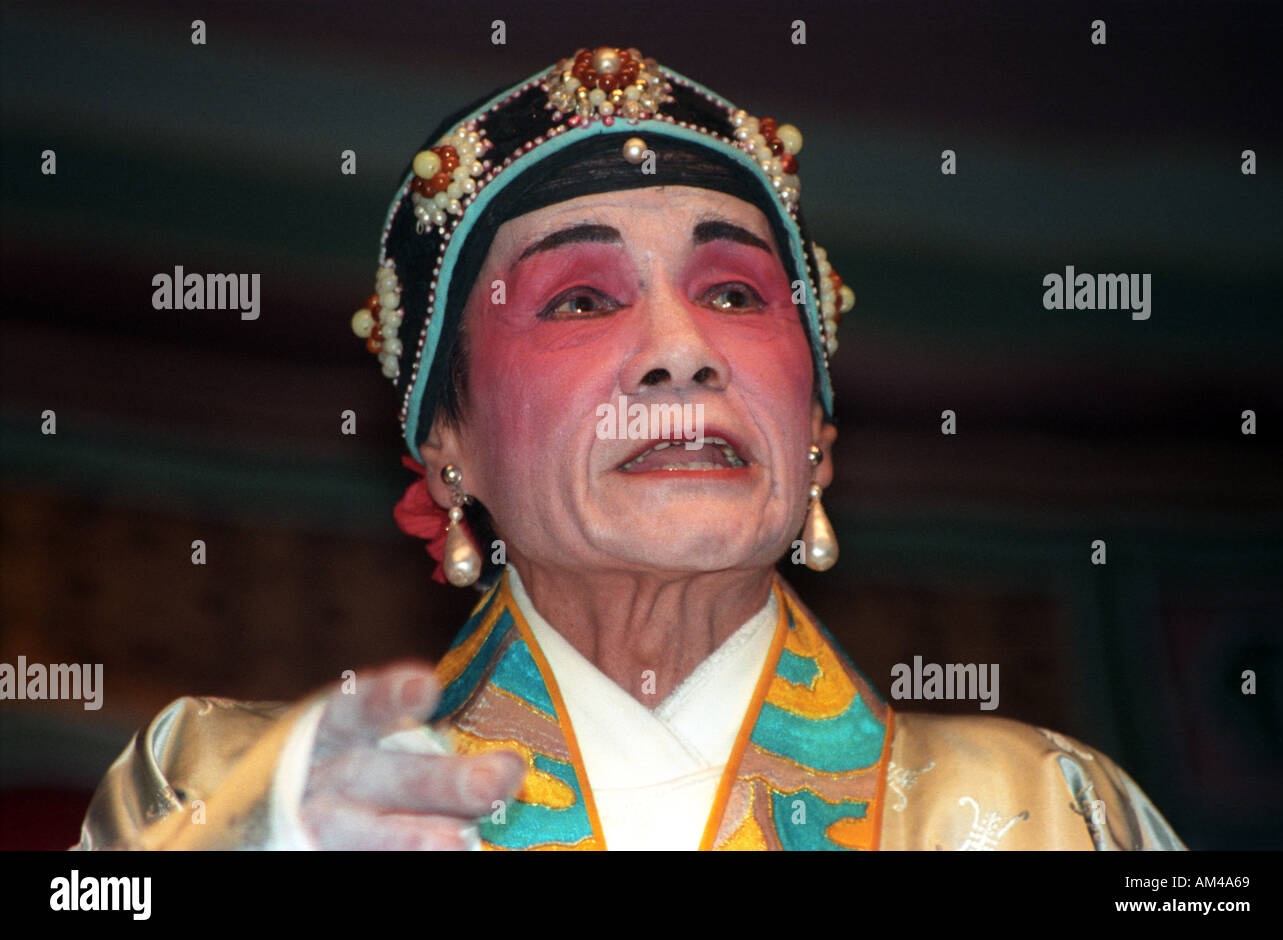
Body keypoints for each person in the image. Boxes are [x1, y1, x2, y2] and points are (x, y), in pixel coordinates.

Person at [76, 46, 1183, 851]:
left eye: (736, 291)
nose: (678, 351)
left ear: (818, 442)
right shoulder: (215, 786)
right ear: (446, 449)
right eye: (578, 300)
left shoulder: (1051, 810)